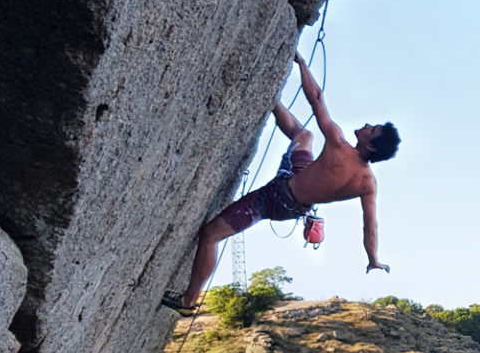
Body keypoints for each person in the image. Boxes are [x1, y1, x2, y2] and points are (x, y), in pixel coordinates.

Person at [162, 52, 399, 315]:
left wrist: (302, 64)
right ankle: (273, 102)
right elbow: (370, 226)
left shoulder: (338, 143)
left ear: (370, 144)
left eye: (372, 129)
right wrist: (373, 259)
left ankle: (188, 302)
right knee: (304, 135)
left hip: (277, 197)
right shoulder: (368, 183)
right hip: (295, 196)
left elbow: (316, 99)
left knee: (210, 235)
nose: (367, 125)